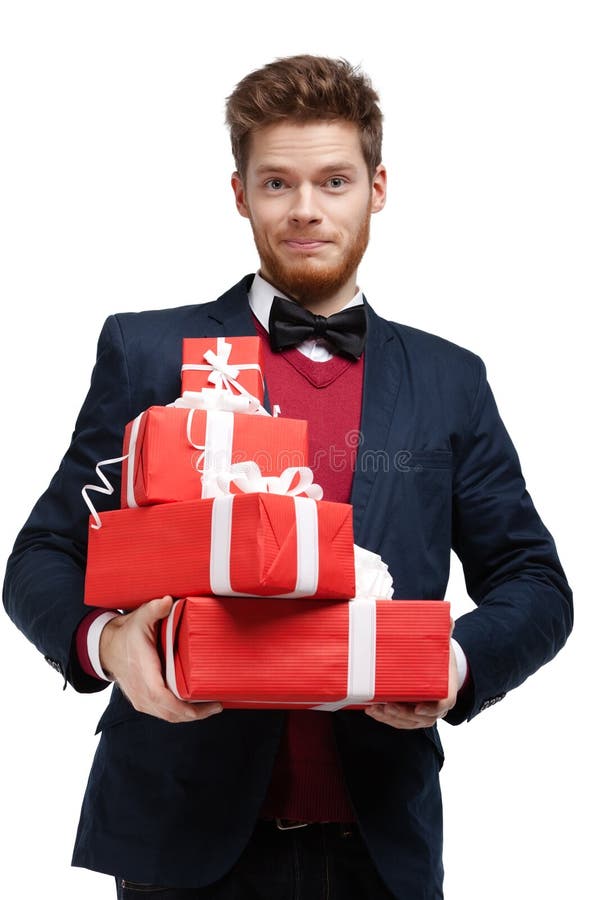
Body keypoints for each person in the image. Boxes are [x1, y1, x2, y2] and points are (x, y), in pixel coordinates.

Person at [3, 54, 573, 899]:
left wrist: (448, 664)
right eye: (276, 183)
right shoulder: (149, 352)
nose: (306, 210)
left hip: (378, 837)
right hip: (180, 838)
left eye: (333, 180)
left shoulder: (452, 379)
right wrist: (108, 644)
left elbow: (533, 581)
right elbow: (45, 555)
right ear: (239, 193)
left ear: (377, 187)